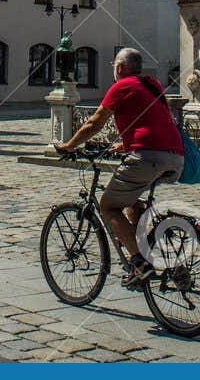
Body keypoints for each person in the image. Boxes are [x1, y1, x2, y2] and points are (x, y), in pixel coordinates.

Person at [53, 47, 183, 286]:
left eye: (114, 65)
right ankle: (153, 249)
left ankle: (140, 262)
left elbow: (95, 122)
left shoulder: (122, 86)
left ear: (120, 67)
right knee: (132, 202)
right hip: (175, 157)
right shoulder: (152, 84)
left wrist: (69, 145)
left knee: (109, 206)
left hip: (148, 157)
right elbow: (155, 120)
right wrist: (126, 146)